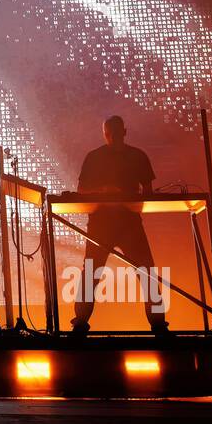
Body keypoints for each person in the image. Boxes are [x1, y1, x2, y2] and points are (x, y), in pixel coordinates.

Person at [70, 116, 170, 338]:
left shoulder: (123, 156)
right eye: (110, 134)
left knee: (143, 272)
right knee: (103, 273)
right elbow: (82, 190)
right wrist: (105, 191)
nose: (113, 137)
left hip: (121, 223)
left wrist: (118, 196)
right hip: (110, 223)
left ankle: (158, 324)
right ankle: (158, 325)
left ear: (123, 132)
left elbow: (147, 193)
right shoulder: (129, 156)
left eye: (114, 133)